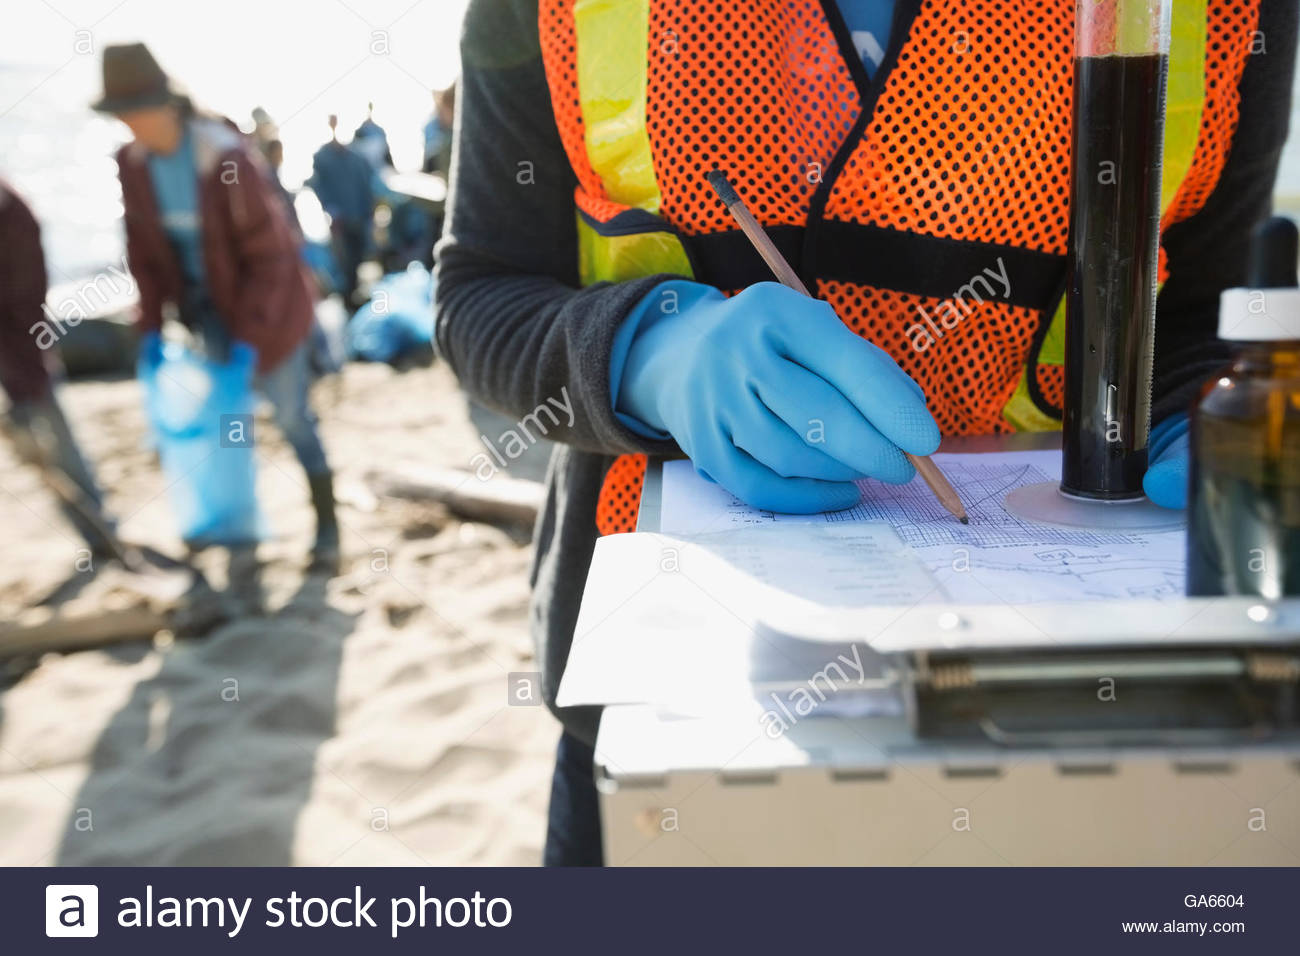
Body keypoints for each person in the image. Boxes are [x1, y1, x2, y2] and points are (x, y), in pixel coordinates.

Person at [435, 1, 1298, 865]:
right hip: (658, 699)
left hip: (1075, 712)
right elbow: (481, 291)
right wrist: (649, 349)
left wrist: (1211, 417)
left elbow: (1200, 317)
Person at [92, 43, 339, 563]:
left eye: (137, 112)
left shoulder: (223, 157)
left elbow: (272, 258)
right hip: (210, 315)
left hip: (270, 315)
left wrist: (249, 339)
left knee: (293, 417)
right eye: (122, 116)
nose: (131, 125)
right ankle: (234, 523)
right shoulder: (132, 164)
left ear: (167, 103)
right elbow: (145, 252)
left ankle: (328, 528)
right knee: (225, 422)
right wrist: (150, 325)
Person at [0, 179, 119, 557]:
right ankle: (94, 533)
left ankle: (100, 532)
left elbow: (25, 298)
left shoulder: (12, 214)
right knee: (37, 445)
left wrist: (21, 372)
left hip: (24, 352)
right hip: (16, 354)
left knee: (53, 438)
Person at [310, 114, 376, 311]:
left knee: (359, 255)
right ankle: (347, 299)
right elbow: (318, 186)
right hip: (340, 220)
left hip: (360, 214)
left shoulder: (357, 156)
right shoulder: (321, 157)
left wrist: (370, 210)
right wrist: (331, 211)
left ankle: (353, 294)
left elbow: (367, 183)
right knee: (344, 260)